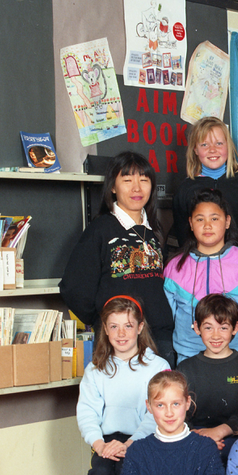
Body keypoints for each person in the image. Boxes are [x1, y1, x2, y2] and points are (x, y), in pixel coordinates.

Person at [76, 295, 171, 475]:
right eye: (114, 326)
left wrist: (130, 444)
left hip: (143, 440)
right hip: (106, 443)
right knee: (102, 474)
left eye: (128, 326)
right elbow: (87, 412)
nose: (121, 333)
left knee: (128, 473)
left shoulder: (157, 366)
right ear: (105, 329)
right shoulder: (95, 369)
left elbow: (156, 413)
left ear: (140, 328)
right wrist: (98, 444)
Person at [61, 151, 174, 363]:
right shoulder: (100, 230)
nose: (137, 188)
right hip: (117, 341)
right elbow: (73, 287)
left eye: (144, 180)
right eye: (127, 180)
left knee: (162, 396)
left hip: (159, 337)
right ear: (113, 187)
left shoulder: (155, 231)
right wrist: (102, 320)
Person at [164, 188, 238, 362]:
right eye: (200, 219)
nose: (207, 226)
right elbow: (169, 318)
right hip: (189, 357)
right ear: (191, 224)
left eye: (214, 218)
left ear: (227, 221)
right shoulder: (175, 267)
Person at [176, 294, 238, 466]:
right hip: (195, 437)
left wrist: (220, 431)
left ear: (235, 328)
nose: (216, 335)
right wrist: (199, 438)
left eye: (223, 328)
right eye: (208, 328)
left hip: (237, 439)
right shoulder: (185, 368)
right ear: (197, 328)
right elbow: (179, 412)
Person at [172, 116, 238, 251]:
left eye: (219, 143)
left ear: (229, 146)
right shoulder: (184, 190)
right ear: (195, 150)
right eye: (204, 144)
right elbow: (182, 236)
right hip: (200, 265)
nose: (212, 149)